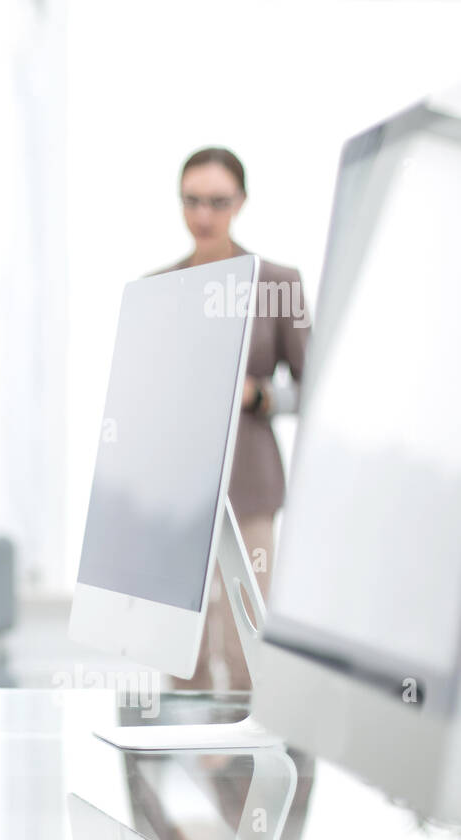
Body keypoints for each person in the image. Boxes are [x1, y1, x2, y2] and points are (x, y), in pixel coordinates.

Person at [152, 147, 310, 690]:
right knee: (182, 651)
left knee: (247, 641)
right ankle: (179, 766)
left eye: (217, 202)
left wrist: (257, 395)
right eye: (192, 201)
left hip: (251, 485)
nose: (203, 216)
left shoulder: (277, 282)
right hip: (179, 489)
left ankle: (252, 770)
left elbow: (313, 388)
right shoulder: (160, 287)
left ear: (240, 202)